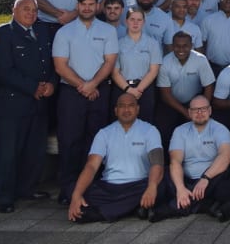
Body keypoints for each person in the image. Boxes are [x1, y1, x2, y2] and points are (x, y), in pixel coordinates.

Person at [52, 0, 119, 205]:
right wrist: (84, 86)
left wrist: (93, 84)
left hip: (99, 91)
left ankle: (91, 189)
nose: (87, 8)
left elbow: (109, 62)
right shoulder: (65, 32)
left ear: (97, 6)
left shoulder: (108, 31)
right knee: (70, 141)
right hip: (71, 93)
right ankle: (68, 190)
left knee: (95, 141)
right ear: (78, 6)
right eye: (83, 4)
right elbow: (60, 66)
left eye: (91, 4)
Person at [0, 0, 55, 214]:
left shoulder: (42, 31)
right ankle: (4, 196)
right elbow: (2, 70)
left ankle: (27, 188)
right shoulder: (3, 34)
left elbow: (51, 63)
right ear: (14, 9)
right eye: (25, 9)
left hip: (39, 104)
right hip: (12, 104)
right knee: (8, 153)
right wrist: (33, 87)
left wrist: (52, 84)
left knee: (34, 151)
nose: (30, 13)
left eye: (34, 10)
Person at [67, 94, 164, 223]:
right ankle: (134, 208)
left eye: (131, 106)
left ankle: (101, 213)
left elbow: (157, 163)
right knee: (72, 189)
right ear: (116, 110)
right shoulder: (104, 133)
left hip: (139, 185)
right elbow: (91, 166)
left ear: (137, 109)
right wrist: (76, 195)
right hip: (109, 188)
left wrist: (151, 187)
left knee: (162, 184)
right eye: (122, 106)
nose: (126, 110)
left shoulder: (150, 130)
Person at [149, 96, 230, 222]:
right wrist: (180, 189)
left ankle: (172, 208)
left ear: (210, 110)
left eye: (203, 109)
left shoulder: (220, 129)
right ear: (189, 112)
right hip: (186, 179)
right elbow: (175, 161)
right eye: (195, 110)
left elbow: (225, 156)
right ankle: (206, 205)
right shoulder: (180, 131)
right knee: (166, 174)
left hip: (211, 179)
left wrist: (205, 178)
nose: (199, 113)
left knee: (225, 187)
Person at [155, 31, 216, 148]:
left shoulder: (201, 60)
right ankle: (167, 157)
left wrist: (202, 109)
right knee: (163, 130)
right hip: (171, 103)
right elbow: (165, 95)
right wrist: (185, 112)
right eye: (177, 46)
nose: (181, 49)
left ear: (191, 46)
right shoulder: (165, 62)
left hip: (194, 101)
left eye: (185, 46)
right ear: (172, 46)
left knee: (201, 129)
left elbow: (208, 87)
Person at [111, 7, 161, 123]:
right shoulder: (118, 43)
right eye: (132, 19)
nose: (135, 23)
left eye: (139, 20)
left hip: (144, 90)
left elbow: (153, 70)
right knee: (121, 122)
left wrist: (138, 90)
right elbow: (115, 72)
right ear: (126, 21)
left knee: (145, 123)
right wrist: (128, 89)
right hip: (122, 88)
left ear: (144, 22)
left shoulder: (152, 43)